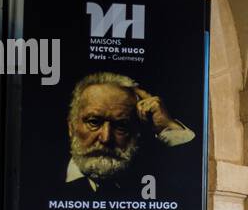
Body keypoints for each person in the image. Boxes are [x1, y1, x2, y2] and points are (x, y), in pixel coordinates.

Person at [64, 71, 194, 193]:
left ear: (137, 131)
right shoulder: (45, 183)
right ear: (71, 127)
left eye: (121, 125)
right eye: (94, 122)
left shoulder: (155, 181)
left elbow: (192, 183)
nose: (106, 138)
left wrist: (168, 127)